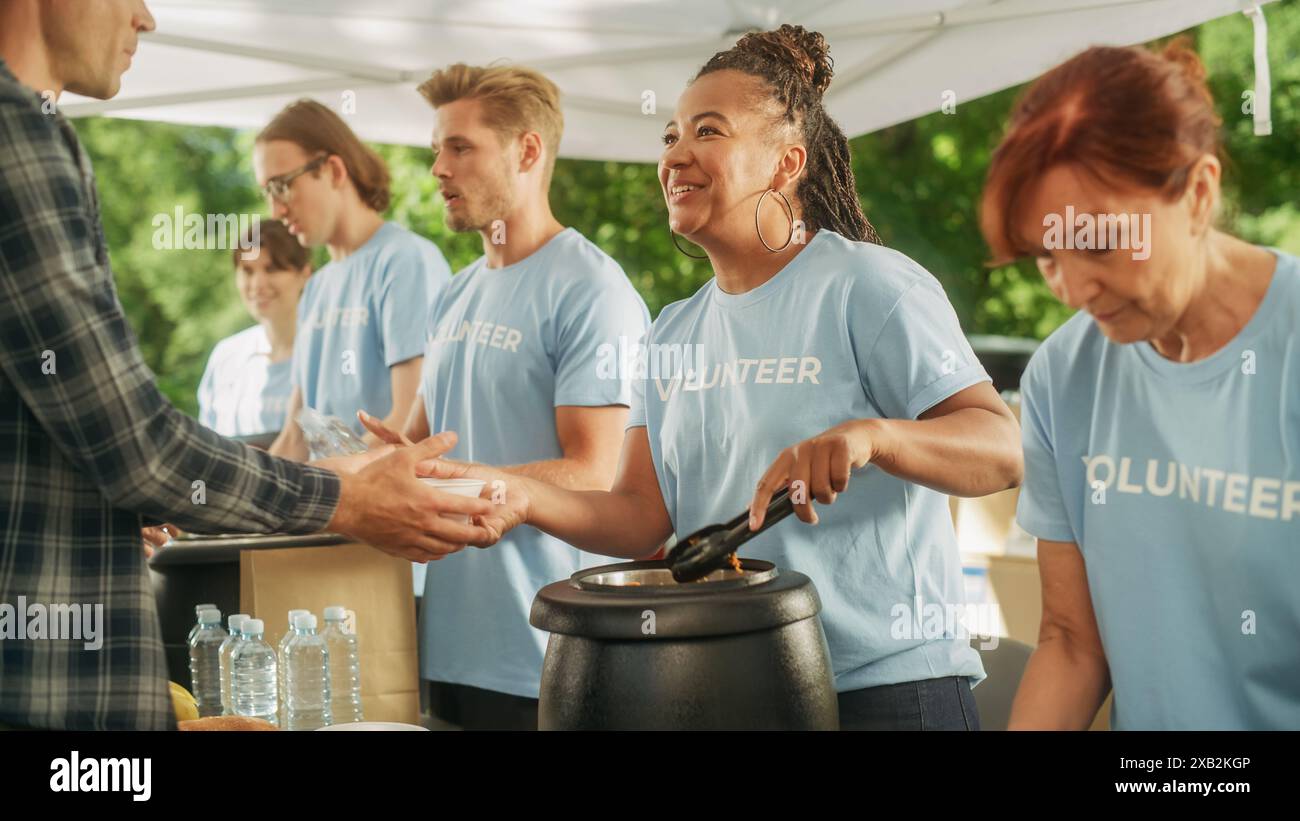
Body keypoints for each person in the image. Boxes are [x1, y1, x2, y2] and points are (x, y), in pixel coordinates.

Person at [390, 26, 1023, 730]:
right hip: (734, 686)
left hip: (884, 693)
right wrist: (517, 495)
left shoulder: (867, 286)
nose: (675, 155)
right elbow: (639, 514)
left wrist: (873, 436)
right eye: (669, 136)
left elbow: (1000, 450)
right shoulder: (673, 330)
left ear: (786, 163)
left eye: (708, 131)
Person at [0, 0, 494, 731]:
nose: (146, 18)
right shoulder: (24, 138)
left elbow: (89, 442)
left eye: (281, 185)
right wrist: (343, 498)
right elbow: (137, 443)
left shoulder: (403, 262)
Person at [979, 42, 1300, 730]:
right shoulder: (1063, 377)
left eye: (1099, 242)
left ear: (1199, 193)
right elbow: (1071, 643)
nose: (1073, 288)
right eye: (1046, 255)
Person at [362, 63, 650, 730]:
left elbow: (597, 472)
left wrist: (460, 483)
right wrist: (377, 463)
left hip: (550, 656)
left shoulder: (591, 290)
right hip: (447, 649)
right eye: (437, 147)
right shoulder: (456, 292)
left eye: (460, 147)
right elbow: (422, 447)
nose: (437, 167)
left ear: (527, 151)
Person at [259, 99, 450, 459]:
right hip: (333, 506)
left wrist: (319, 486)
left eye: (281, 186)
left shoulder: (405, 261)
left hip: (386, 509)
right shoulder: (317, 286)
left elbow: (409, 424)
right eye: (267, 192)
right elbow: (295, 439)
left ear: (333, 170)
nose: (276, 210)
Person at [197, 219, 311, 439]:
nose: (258, 284)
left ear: (304, 274)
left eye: (272, 269)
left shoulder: (324, 353)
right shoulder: (225, 356)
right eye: (248, 271)